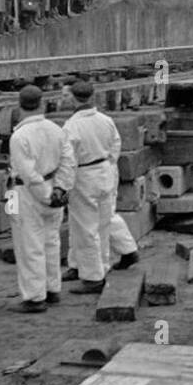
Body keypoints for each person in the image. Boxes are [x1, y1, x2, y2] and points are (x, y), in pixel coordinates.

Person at [8, 86, 75, 313]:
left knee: (29, 245)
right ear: (42, 103)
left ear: (19, 105)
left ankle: (35, 297)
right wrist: (60, 189)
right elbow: (68, 162)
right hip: (53, 188)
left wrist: (45, 196)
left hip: (27, 193)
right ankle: (52, 288)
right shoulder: (56, 129)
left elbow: (27, 174)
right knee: (51, 241)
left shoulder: (19, 136)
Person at [61, 80, 121, 293]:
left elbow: (68, 160)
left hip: (84, 175)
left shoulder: (71, 126)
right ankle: (95, 266)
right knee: (103, 223)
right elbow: (116, 144)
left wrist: (63, 186)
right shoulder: (105, 120)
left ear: (75, 98)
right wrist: (109, 164)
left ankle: (92, 277)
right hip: (104, 170)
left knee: (85, 228)